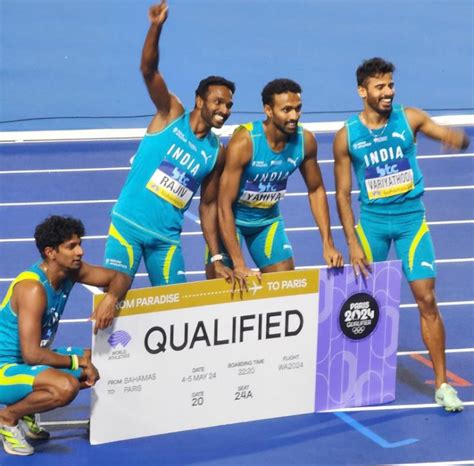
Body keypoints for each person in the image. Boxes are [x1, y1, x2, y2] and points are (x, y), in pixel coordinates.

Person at [333, 57, 469, 412]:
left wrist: (457, 139)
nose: (388, 92)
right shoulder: (347, 137)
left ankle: (442, 385)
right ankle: (353, 378)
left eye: (391, 85)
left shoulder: (410, 119)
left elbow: (452, 136)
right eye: (380, 87)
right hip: (373, 225)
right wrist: (351, 241)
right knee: (359, 303)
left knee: (427, 299)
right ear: (362, 91)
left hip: (411, 222)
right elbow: (342, 194)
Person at [104, 0, 235, 292]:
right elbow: (148, 71)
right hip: (128, 227)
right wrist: (155, 27)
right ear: (199, 100)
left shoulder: (216, 151)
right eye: (218, 102)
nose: (224, 110)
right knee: (114, 300)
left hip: (166, 240)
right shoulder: (171, 114)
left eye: (228, 105)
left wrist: (216, 257)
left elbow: (210, 205)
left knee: (178, 308)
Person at [0, 215, 130, 455]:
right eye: (71, 247)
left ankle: (24, 408)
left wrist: (110, 299)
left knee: (105, 358)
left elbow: (120, 278)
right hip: (5, 367)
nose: (80, 251)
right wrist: (77, 361)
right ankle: (8, 418)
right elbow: (32, 355)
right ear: (51, 253)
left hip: (29, 363)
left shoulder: (70, 272)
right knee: (65, 387)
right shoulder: (32, 289)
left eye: (79, 244)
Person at [217, 78, 343, 284]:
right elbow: (223, 204)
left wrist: (327, 243)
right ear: (268, 110)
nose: (294, 116)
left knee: (284, 286)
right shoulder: (245, 141)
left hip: (267, 221)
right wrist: (239, 263)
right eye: (286, 110)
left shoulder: (306, 142)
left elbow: (316, 189)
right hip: (232, 220)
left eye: (298, 109)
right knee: (222, 286)